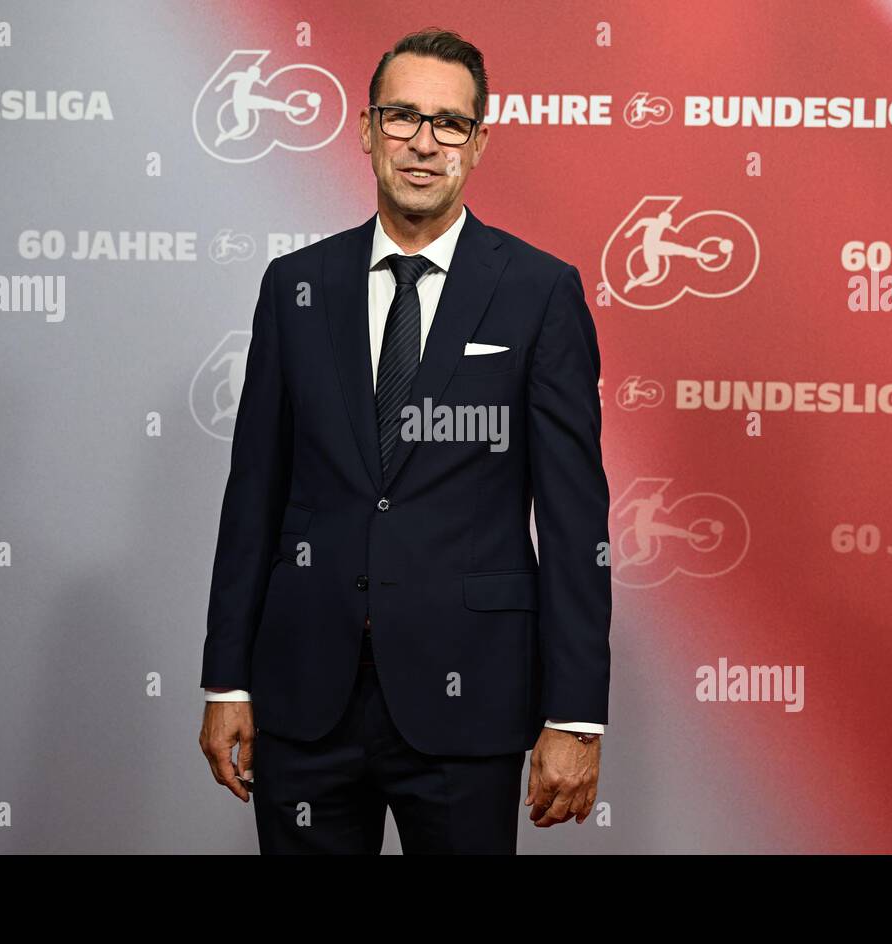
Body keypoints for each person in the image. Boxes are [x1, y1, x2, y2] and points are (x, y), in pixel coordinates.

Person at [198, 28, 611, 854]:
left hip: (470, 703)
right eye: (402, 117)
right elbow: (254, 497)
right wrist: (228, 679)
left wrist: (575, 716)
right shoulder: (297, 289)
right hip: (304, 699)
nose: (424, 143)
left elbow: (574, 525)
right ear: (365, 128)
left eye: (450, 123)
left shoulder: (540, 293)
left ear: (479, 142)